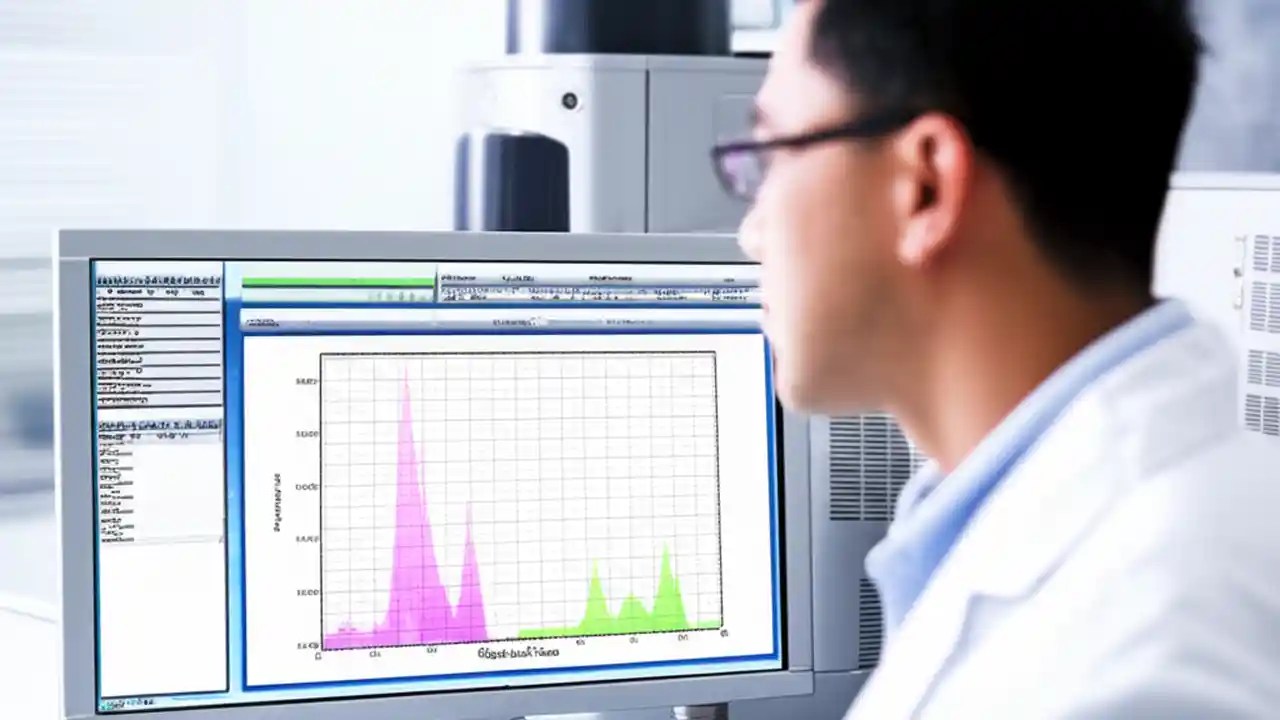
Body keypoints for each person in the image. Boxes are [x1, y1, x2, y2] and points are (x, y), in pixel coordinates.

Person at [711, 0, 1280, 717]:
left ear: (924, 185)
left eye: (770, 157)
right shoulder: (1198, 511)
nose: (751, 234)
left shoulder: (1136, 671)